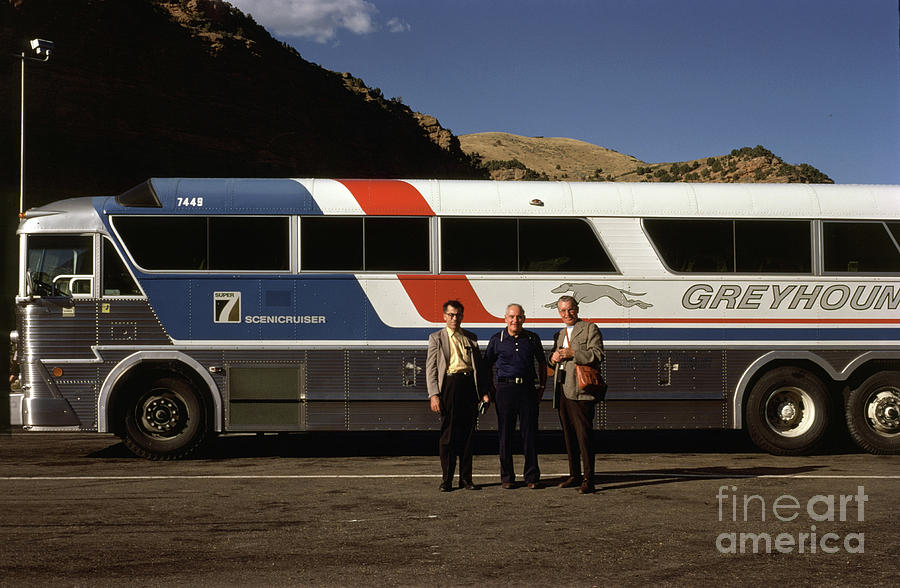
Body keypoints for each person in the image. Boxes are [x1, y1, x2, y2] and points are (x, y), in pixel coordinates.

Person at [426, 300, 491, 492]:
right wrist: (434, 395)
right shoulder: (436, 338)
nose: (455, 318)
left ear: (463, 316)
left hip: (469, 386)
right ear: (444, 316)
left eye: (458, 315)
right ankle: (447, 480)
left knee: (468, 436)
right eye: (451, 315)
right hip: (449, 386)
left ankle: (466, 479)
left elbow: (479, 367)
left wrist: (484, 393)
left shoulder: (471, 337)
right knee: (448, 436)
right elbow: (431, 368)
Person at [483, 304, 547, 489]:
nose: (515, 320)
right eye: (511, 317)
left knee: (530, 435)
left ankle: (532, 477)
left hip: (527, 389)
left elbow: (543, 364)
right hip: (505, 390)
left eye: (519, 317)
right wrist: (490, 389)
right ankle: (507, 477)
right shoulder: (497, 339)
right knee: (505, 435)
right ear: (505, 318)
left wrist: (542, 387)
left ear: (524, 319)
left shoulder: (532, 339)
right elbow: (486, 365)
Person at [549, 295, 605, 494]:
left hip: (581, 392)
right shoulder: (561, 333)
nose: (567, 314)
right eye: (563, 311)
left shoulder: (590, 328)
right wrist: (553, 358)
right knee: (569, 436)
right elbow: (555, 361)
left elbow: (598, 354)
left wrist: (573, 353)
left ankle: (589, 479)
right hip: (563, 391)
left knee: (584, 437)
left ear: (577, 309)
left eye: (570, 309)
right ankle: (574, 475)